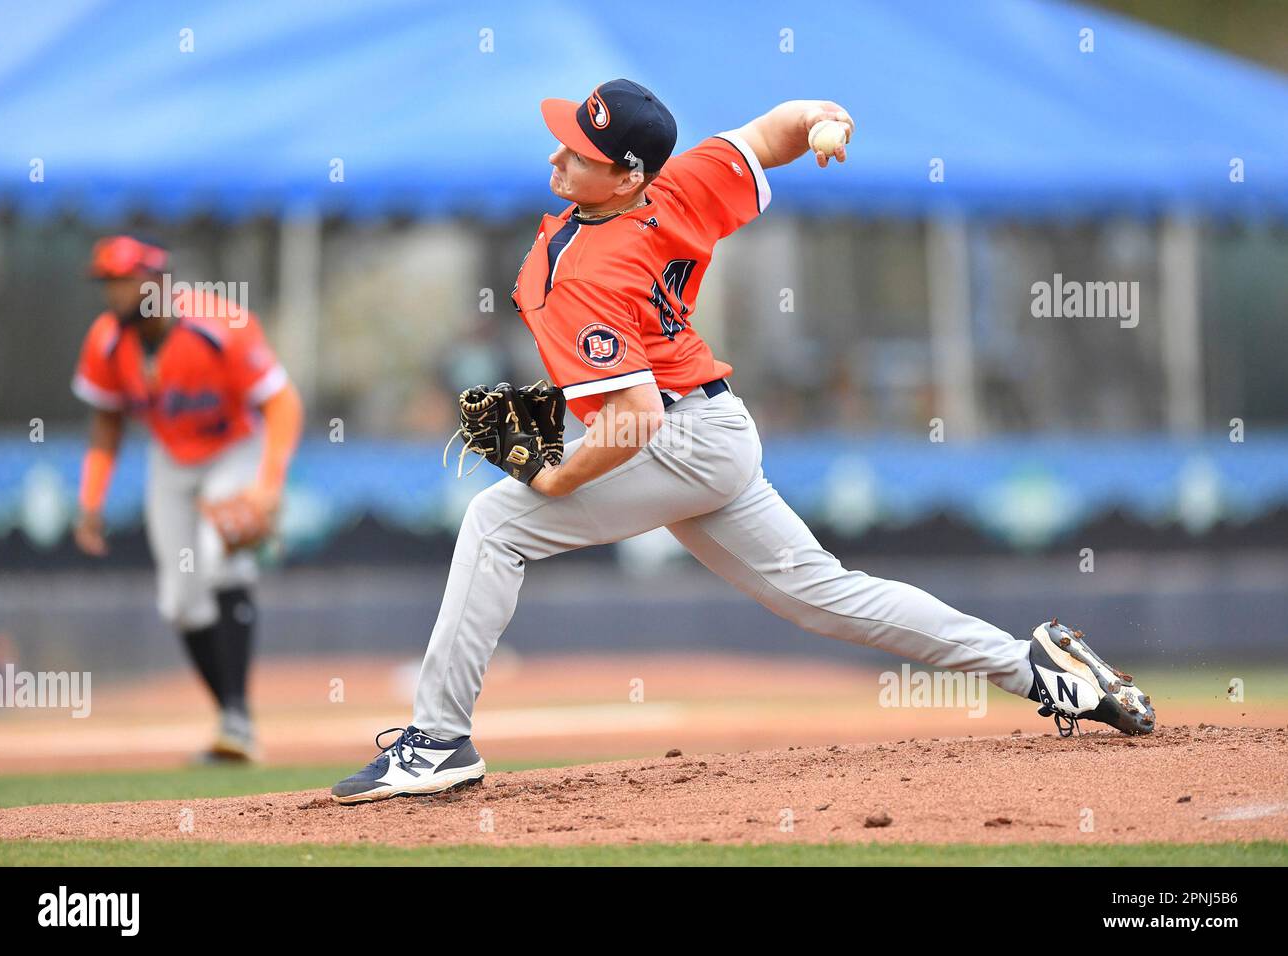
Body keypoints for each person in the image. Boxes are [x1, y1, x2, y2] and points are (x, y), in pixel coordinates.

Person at [332, 80, 1153, 804]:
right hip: (710, 431)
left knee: (496, 523)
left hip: (676, 436)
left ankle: (437, 741)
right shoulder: (680, 187)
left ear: (628, 174)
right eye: (565, 138)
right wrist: (823, 119)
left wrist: (555, 477)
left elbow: (635, 418)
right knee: (825, 595)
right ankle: (1036, 667)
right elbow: (774, 130)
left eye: (582, 153)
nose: (559, 158)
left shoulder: (593, 268)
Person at [72, 236, 303, 761]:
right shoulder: (107, 341)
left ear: (157, 281)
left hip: (232, 449)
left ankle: (237, 717)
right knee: (179, 601)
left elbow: (283, 402)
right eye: (107, 283)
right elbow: (107, 423)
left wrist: (267, 484)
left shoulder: (220, 325)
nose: (114, 293)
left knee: (219, 559)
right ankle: (234, 723)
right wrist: (92, 500)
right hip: (172, 459)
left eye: (124, 280)